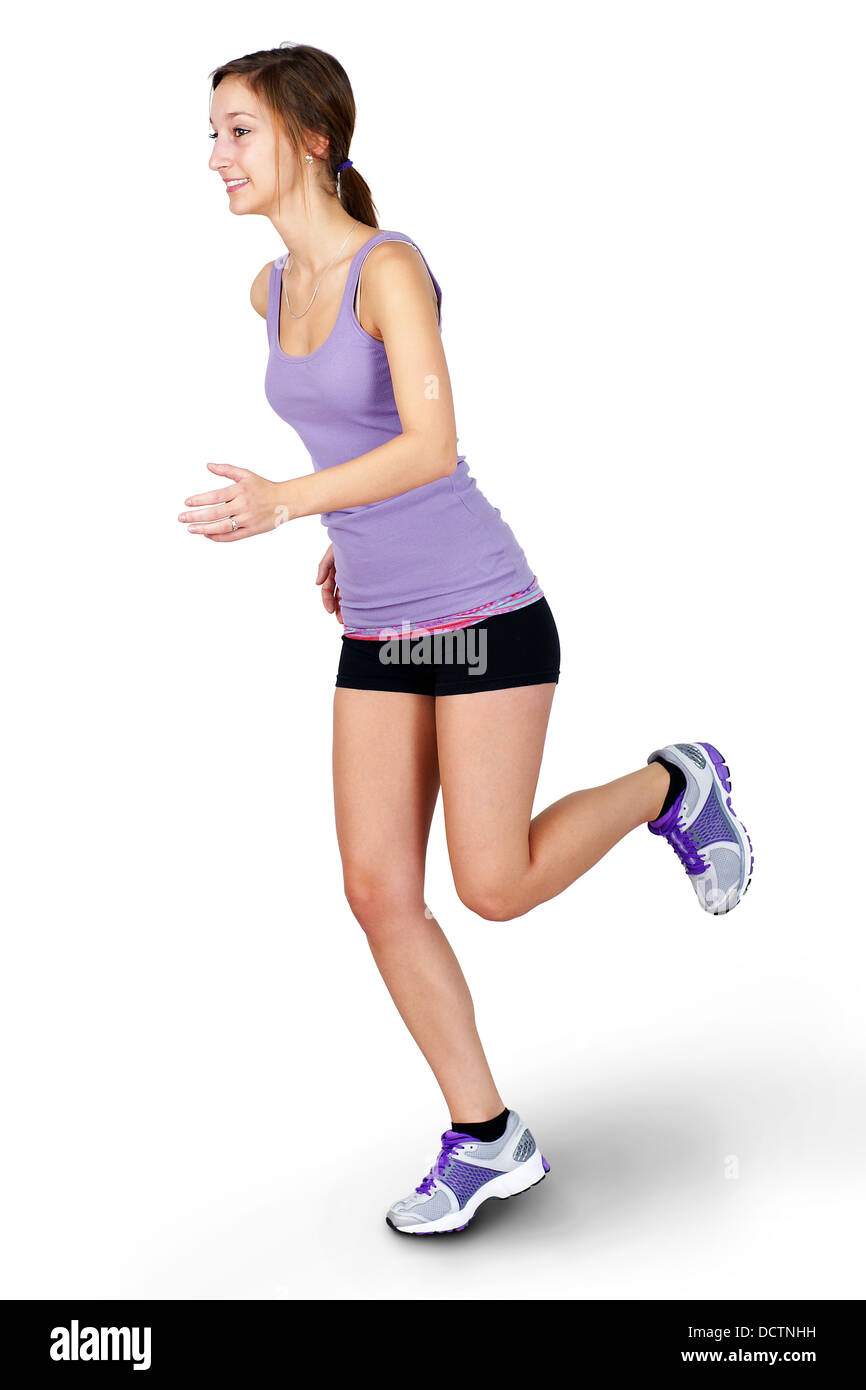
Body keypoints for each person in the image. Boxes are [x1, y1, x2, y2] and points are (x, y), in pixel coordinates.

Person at [179, 42, 754, 1237]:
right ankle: (486, 1136)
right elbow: (363, 448)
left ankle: (672, 783)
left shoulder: (390, 269)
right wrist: (346, 534)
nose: (216, 154)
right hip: (383, 623)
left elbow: (434, 450)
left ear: (311, 140)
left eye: (238, 130)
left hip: (481, 615)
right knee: (378, 888)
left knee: (490, 884)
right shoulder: (267, 292)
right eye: (213, 132)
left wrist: (287, 503)